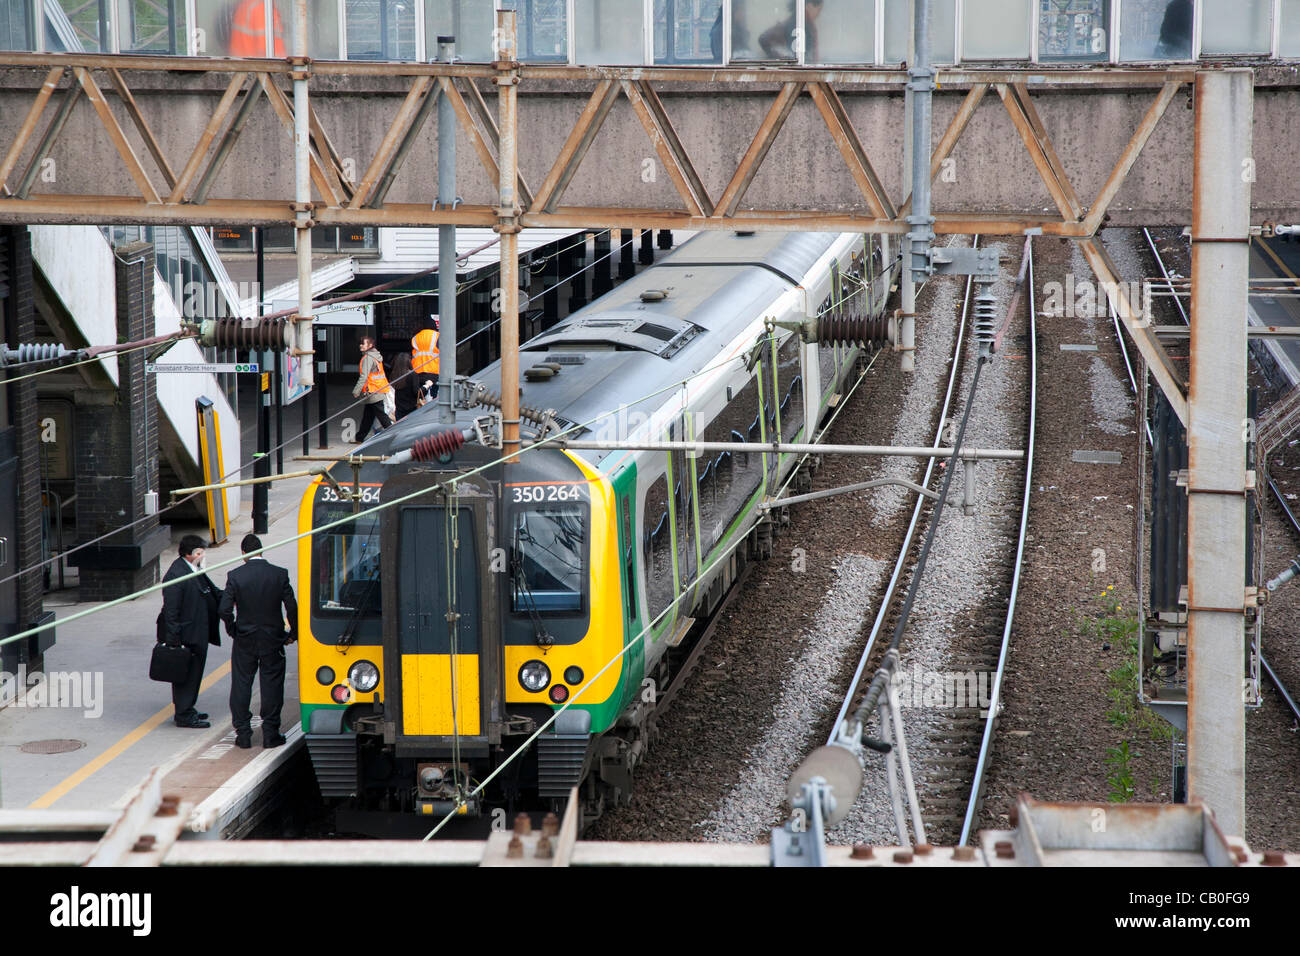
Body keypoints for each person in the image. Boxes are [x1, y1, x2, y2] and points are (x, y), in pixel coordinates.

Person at [218, 534, 298, 749]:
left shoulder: (235, 575)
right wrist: (293, 634)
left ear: (243, 553)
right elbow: (292, 607)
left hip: (245, 639)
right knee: (272, 684)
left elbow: (224, 609)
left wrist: (233, 629)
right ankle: (271, 734)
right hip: (272, 639)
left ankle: (243, 734)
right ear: (261, 550)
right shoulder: (279, 574)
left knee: (242, 683)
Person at [159, 535, 223, 728]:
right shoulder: (176, 575)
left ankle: (188, 707)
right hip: (187, 636)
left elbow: (212, 591)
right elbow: (171, 612)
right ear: (189, 554)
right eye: (200, 552)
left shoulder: (194, 570)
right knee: (186, 676)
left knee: (195, 674)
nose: (203, 555)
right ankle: (183, 713)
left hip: (198, 633)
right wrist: (175, 641)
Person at [352, 335, 393, 441]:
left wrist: (357, 390)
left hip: (373, 390)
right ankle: (359, 437)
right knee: (368, 416)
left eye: (363, 343)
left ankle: (393, 433)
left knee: (381, 416)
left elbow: (364, 376)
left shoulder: (368, 358)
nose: (360, 345)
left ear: (370, 345)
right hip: (377, 389)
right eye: (360, 343)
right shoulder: (376, 356)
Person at [758, 0, 823, 63]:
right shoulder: (802, 25)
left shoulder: (799, 22)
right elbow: (763, 39)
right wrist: (783, 58)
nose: (818, 14)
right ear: (809, 6)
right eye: (818, 10)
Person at [389, 351, 419, 420]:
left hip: (399, 409)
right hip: (411, 410)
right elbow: (416, 392)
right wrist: (426, 386)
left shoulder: (395, 374)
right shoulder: (412, 375)